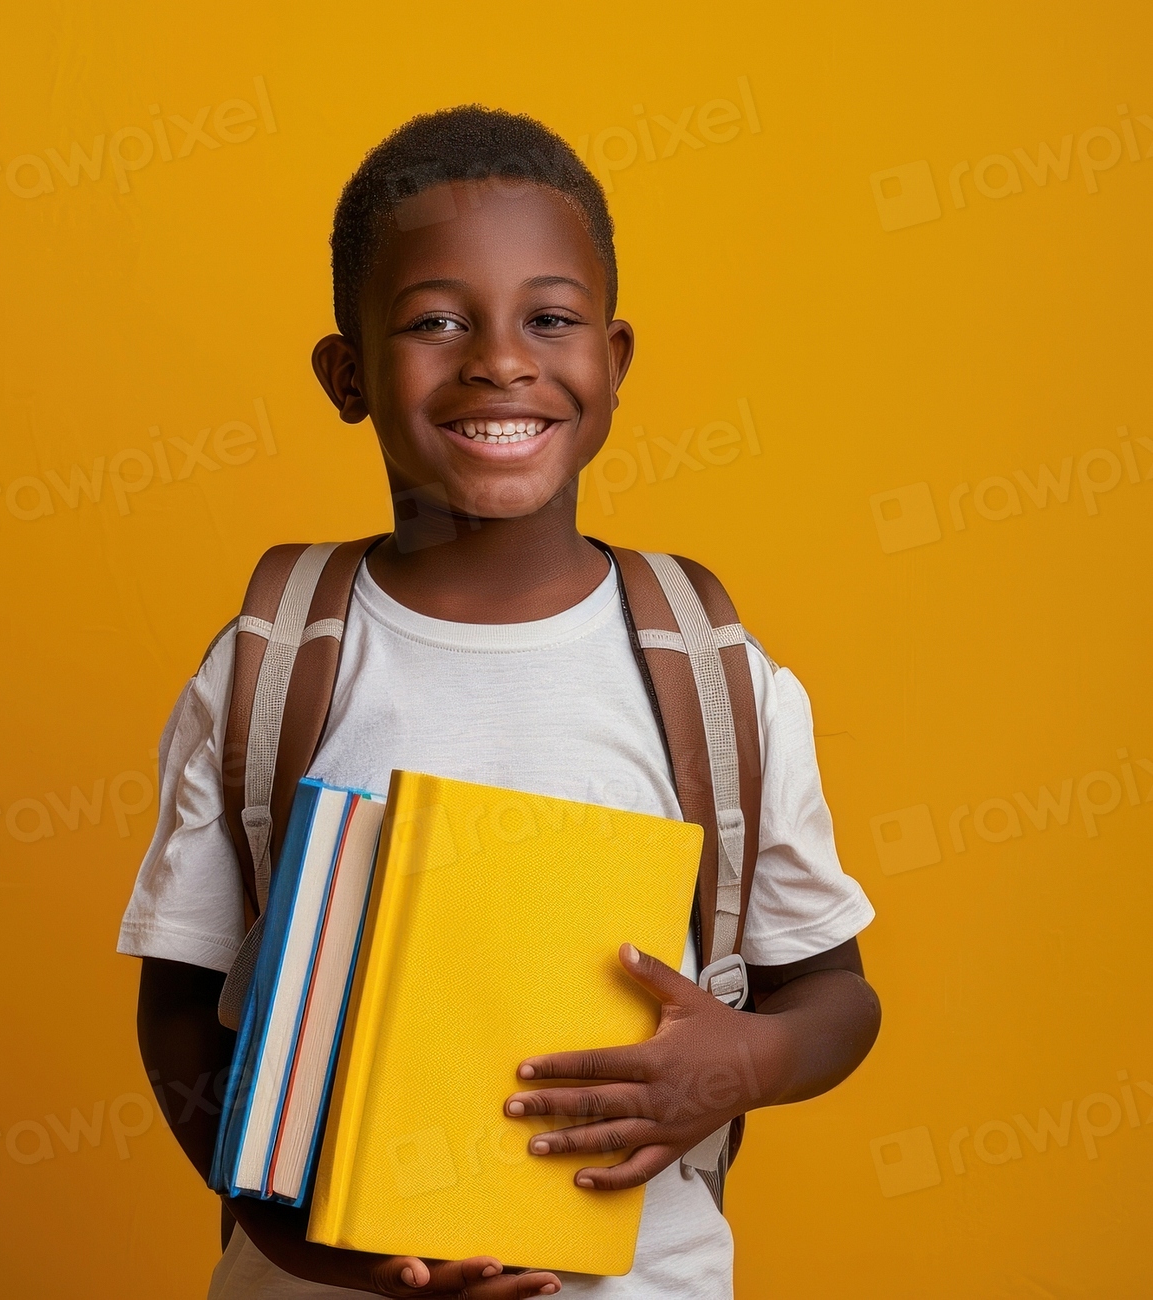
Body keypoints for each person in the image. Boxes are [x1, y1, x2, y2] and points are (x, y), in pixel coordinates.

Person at [119, 104, 880, 1300]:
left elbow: (834, 989)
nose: (499, 360)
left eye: (550, 319)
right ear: (348, 374)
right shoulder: (273, 662)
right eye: (434, 321)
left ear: (613, 361)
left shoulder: (712, 670)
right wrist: (331, 1250)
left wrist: (746, 1057)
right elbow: (177, 1013)